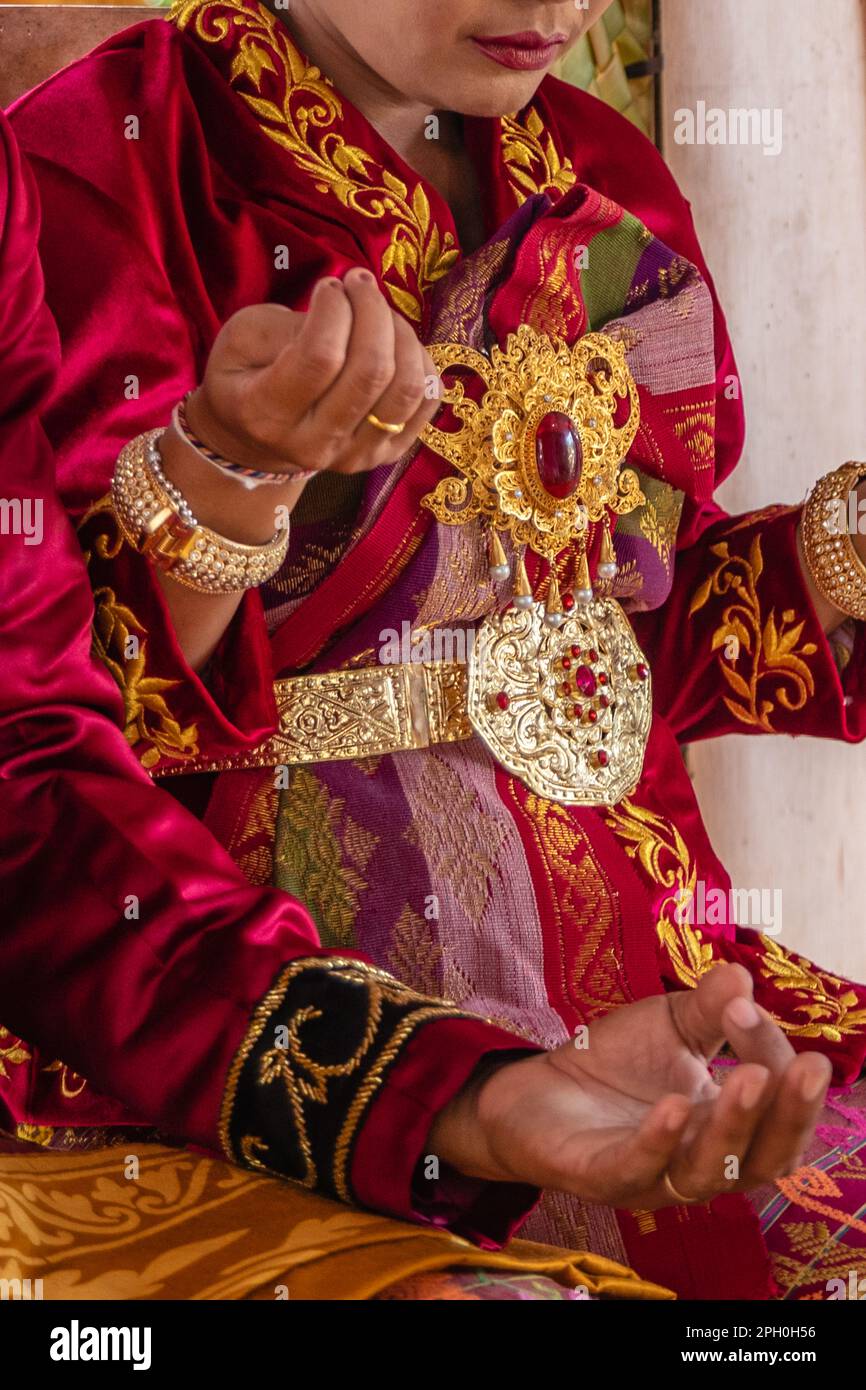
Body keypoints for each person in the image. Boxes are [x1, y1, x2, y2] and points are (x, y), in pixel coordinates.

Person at [2, 0, 865, 1300]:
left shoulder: (598, 170)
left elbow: (615, 645)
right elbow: (64, 735)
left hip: (659, 975)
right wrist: (228, 482)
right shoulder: (116, 159)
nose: (546, 10)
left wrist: (840, 560)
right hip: (265, 979)